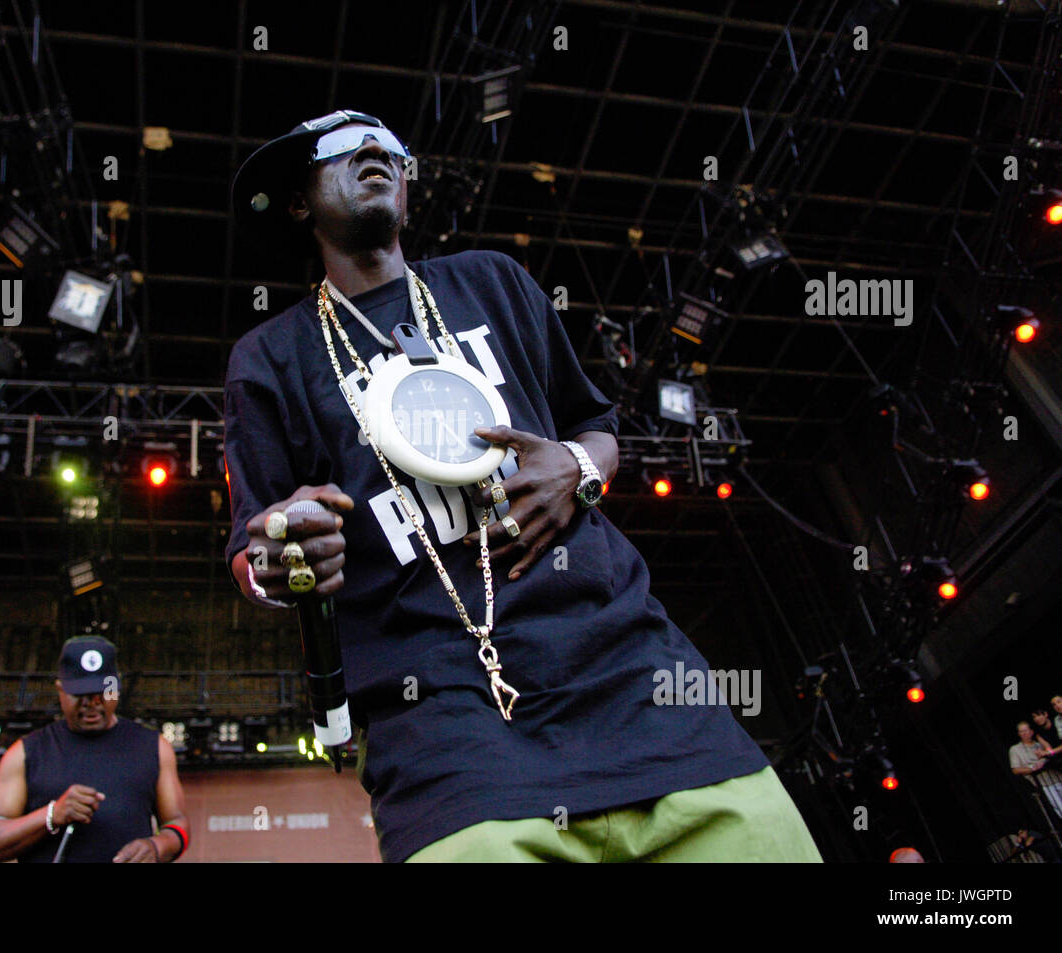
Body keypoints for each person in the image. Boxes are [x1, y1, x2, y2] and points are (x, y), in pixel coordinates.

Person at [222, 108, 822, 862]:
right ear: (300, 199)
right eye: (342, 148)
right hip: (440, 717)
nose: (374, 151)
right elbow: (252, 552)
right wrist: (280, 557)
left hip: (629, 669)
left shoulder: (491, 281)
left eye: (390, 147)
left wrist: (579, 468)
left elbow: (598, 429)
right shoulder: (269, 355)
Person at [0, 636, 188, 863]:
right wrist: (52, 815)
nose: (92, 702)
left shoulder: (154, 747)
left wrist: (157, 846)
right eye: (80, 694)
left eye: (101, 693)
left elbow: (177, 823)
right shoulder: (26, 753)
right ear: (60, 690)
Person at [1009, 720, 1062, 822]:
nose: (1024, 734)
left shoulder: (1039, 744)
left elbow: (1051, 751)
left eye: (1026, 730)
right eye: (1021, 732)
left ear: (1031, 731)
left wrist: (1039, 738)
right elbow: (1015, 769)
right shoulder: (1015, 749)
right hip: (1044, 784)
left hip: (1057, 777)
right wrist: (1031, 768)